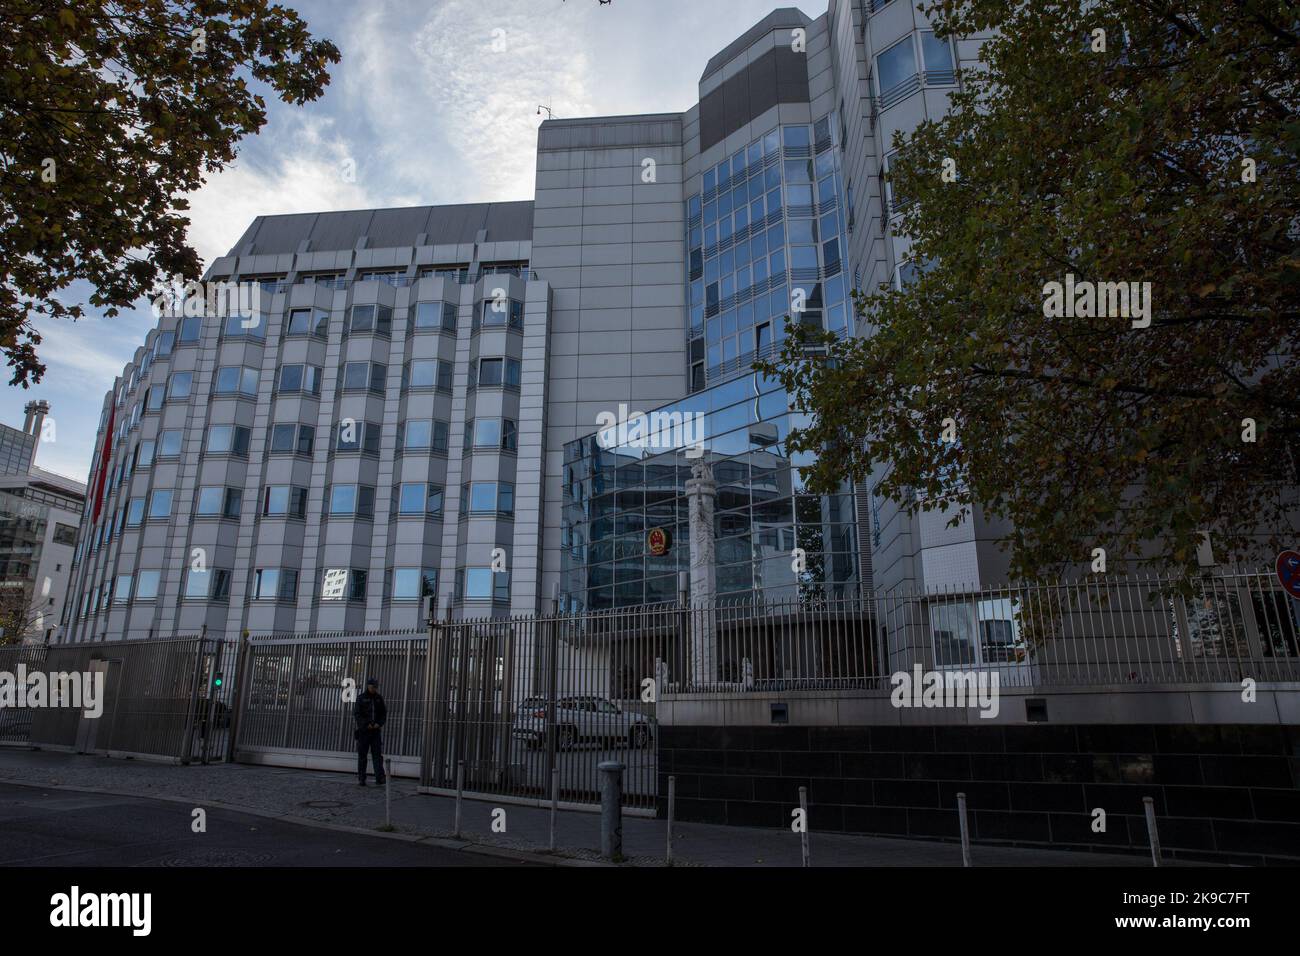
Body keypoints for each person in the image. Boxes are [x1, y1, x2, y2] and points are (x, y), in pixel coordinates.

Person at [353, 676, 387, 786]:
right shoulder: (361, 698)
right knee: (362, 756)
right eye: (372, 687)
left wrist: (378, 723)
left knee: (377, 755)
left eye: (375, 687)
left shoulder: (379, 698)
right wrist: (365, 724)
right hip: (364, 731)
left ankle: (380, 777)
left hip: (375, 731)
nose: (374, 689)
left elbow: (383, 714)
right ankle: (361, 778)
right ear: (368, 686)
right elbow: (357, 714)